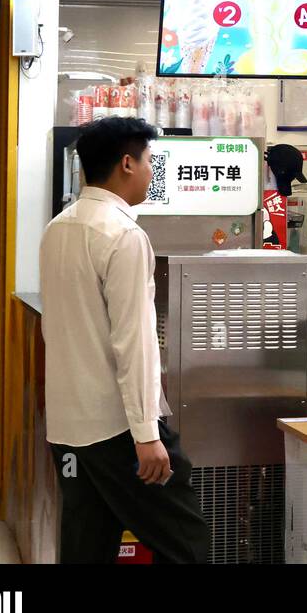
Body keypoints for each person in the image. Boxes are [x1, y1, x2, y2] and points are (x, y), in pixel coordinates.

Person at [40, 117, 209, 564]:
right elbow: (132, 342)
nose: (153, 172)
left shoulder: (58, 228)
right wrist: (147, 435)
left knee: (86, 546)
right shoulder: (124, 235)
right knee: (187, 542)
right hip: (118, 429)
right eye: (151, 161)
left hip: (68, 427)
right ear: (127, 163)